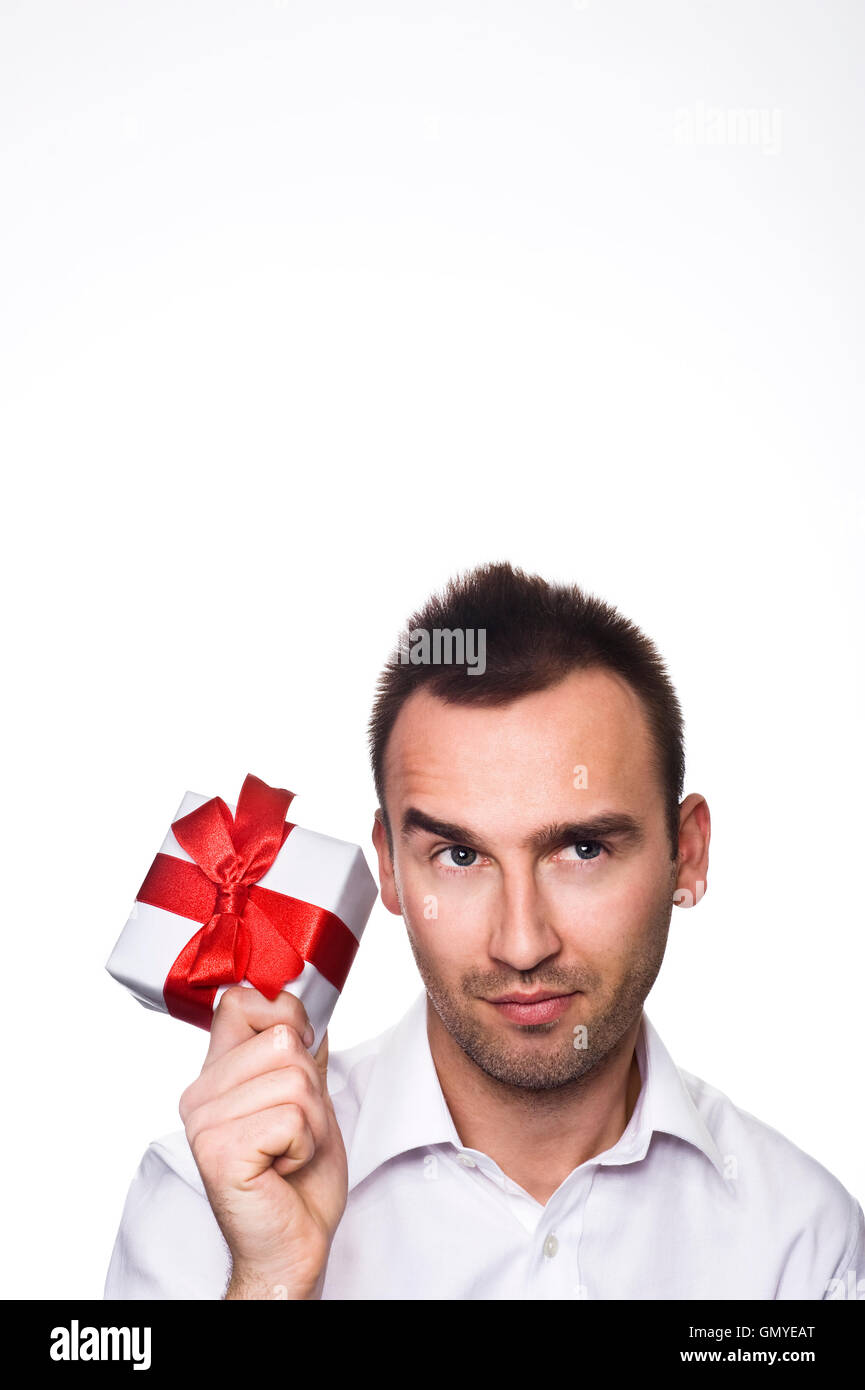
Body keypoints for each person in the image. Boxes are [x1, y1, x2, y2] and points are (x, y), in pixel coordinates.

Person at [104, 562, 864, 1300]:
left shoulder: (801, 1243)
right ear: (392, 870)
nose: (523, 944)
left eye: (582, 850)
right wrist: (271, 1283)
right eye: (460, 856)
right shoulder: (204, 1207)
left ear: (685, 854)